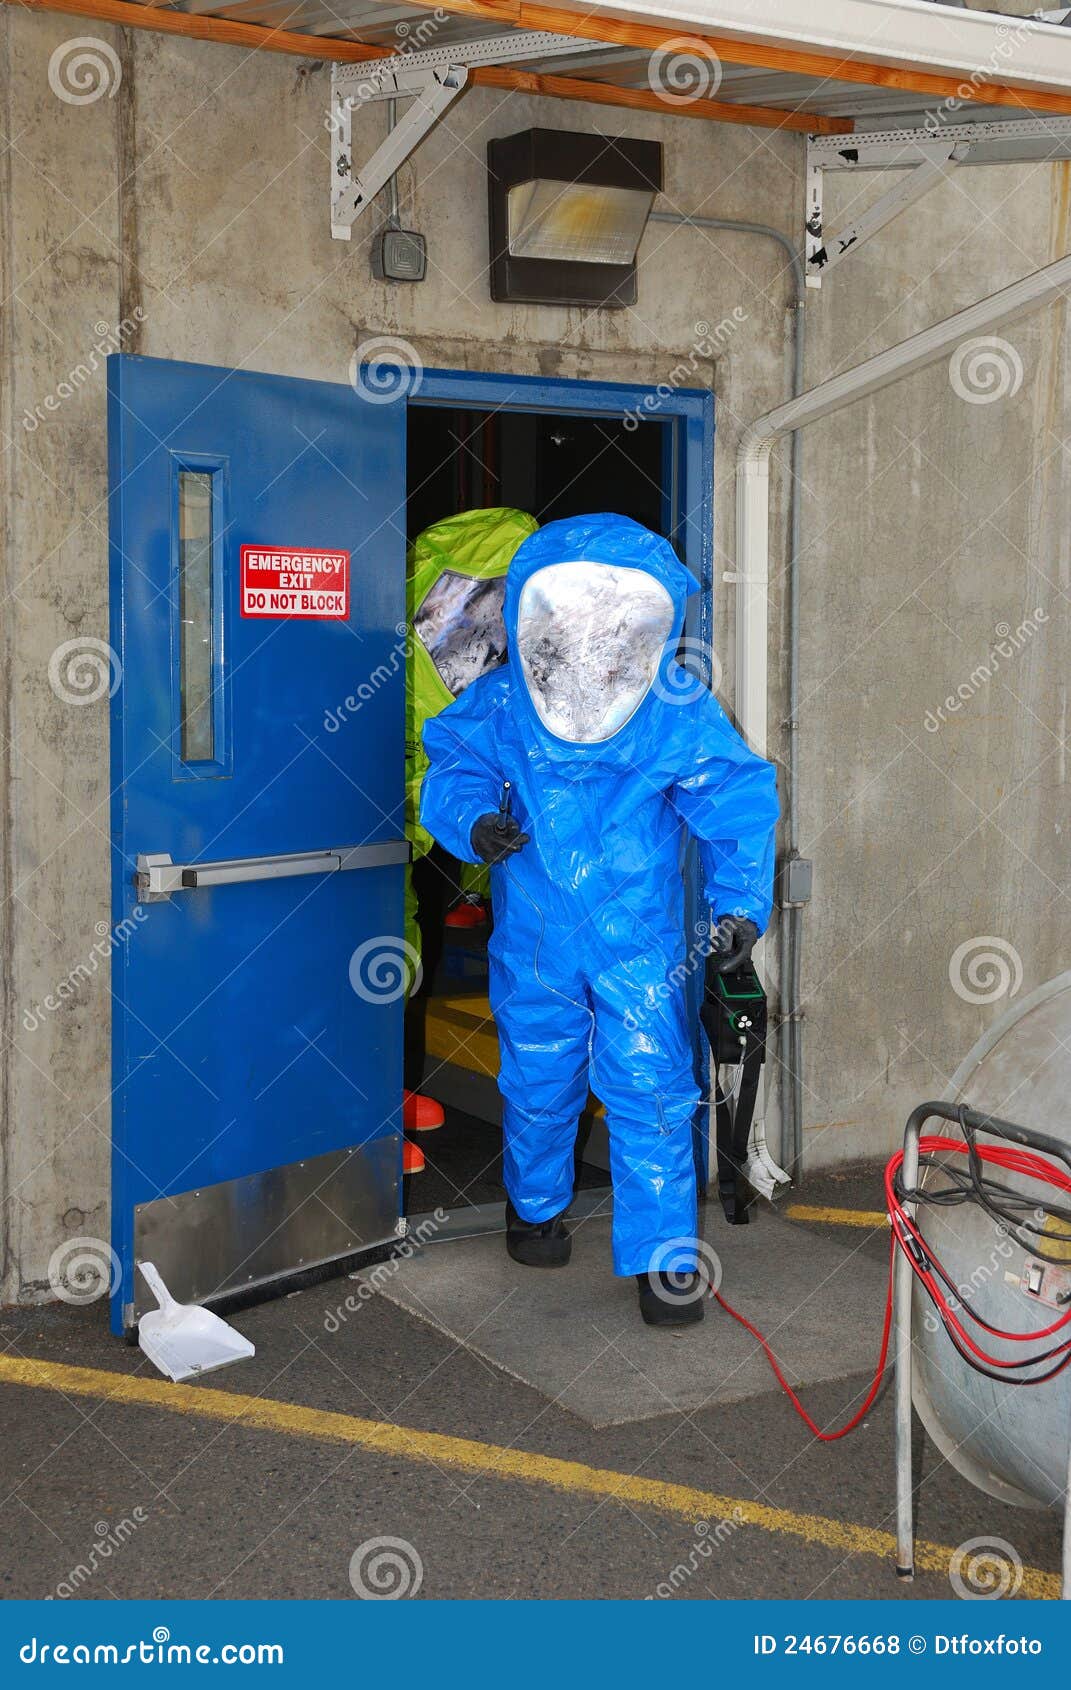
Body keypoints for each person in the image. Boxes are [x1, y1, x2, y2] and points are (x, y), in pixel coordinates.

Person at [420, 514, 779, 1327]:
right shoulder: (506, 700)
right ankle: (535, 1211)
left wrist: (737, 912)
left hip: (641, 938)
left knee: (651, 1085)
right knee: (540, 1076)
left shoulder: (670, 705)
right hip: (541, 929)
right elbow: (455, 765)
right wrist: (473, 820)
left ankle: (662, 1261)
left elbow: (733, 801)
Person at [403, 507, 539, 1139]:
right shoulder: (399, 644)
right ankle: (378, 1099)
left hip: (430, 830)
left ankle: (387, 1091)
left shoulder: (506, 664)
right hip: (382, 828)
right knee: (387, 949)